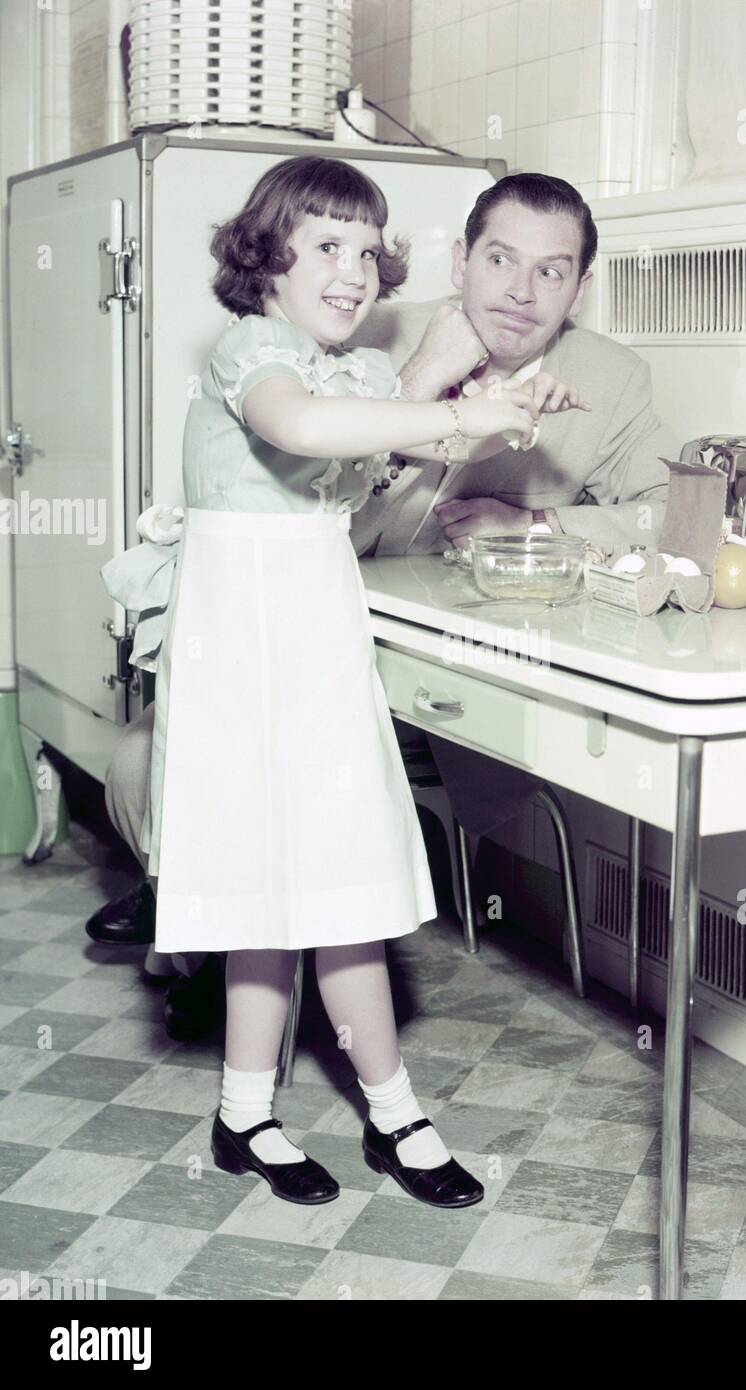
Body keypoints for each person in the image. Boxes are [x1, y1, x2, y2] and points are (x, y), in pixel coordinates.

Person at [100, 156, 587, 1209]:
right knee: (260, 892)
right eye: (326, 245)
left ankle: (385, 1109)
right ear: (266, 256)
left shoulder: (359, 376)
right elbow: (304, 429)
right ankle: (249, 1114)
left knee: (340, 883)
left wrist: (493, 400)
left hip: (318, 640)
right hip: (239, 652)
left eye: (368, 251)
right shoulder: (255, 351)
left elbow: (355, 504)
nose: (356, 269)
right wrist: (461, 418)